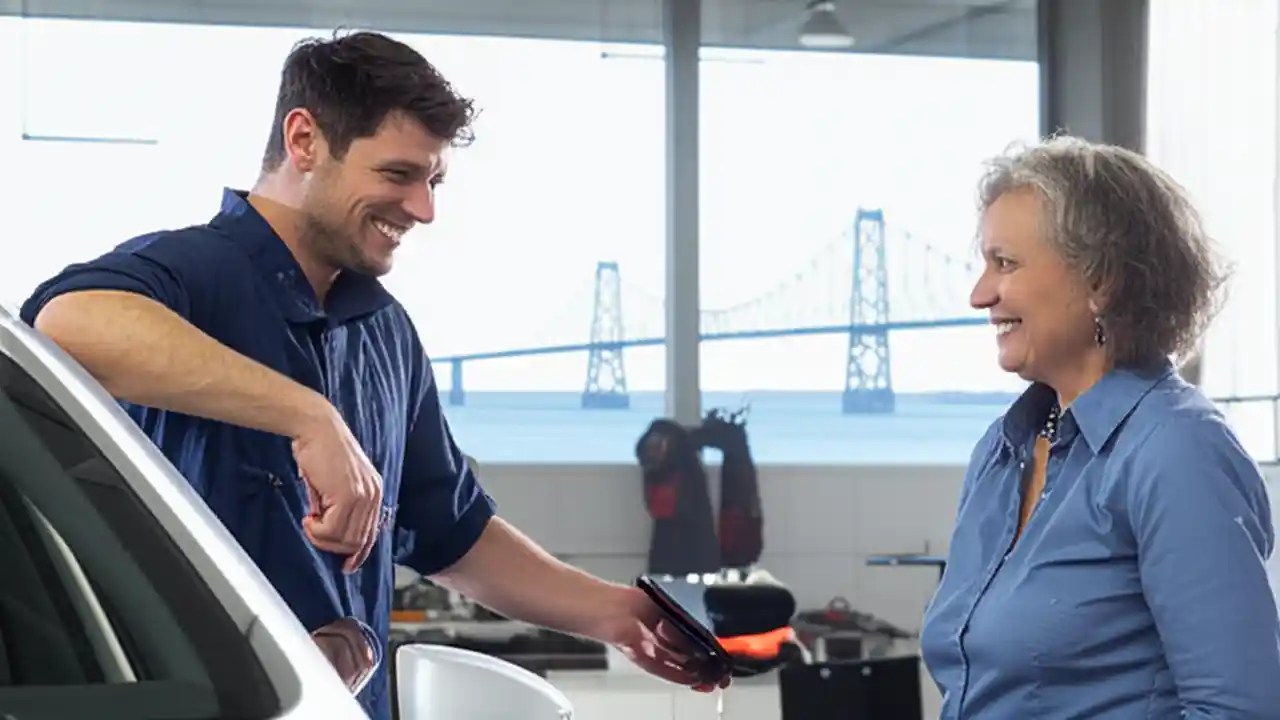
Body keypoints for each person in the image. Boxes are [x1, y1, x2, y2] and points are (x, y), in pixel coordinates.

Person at [20, 30, 726, 720]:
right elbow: (69, 324)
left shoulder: (385, 332)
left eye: (432, 179)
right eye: (398, 174)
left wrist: (617, 615)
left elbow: (452, 533)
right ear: (304, 142)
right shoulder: (195, 274)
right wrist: (307, 415)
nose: (423, 209)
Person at [920, 136, 1280, 718]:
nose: (979, 294)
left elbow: (1239, 710)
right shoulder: (1001, 450)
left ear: (1100, 281)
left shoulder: (1177, 451)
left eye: (1005, 263)